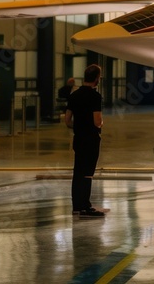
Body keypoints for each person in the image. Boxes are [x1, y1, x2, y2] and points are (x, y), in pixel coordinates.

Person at [64, 65, 104, 218]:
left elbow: (67, 121)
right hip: (91, 139)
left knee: (78, 171)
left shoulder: (74, 95)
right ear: (96, 78)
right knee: (88, 173)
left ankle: (76, 206)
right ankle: (85, 206)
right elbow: (97, 121)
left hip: (78, 138)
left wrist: (79, 125)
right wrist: (100, 123)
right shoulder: (95, 96)